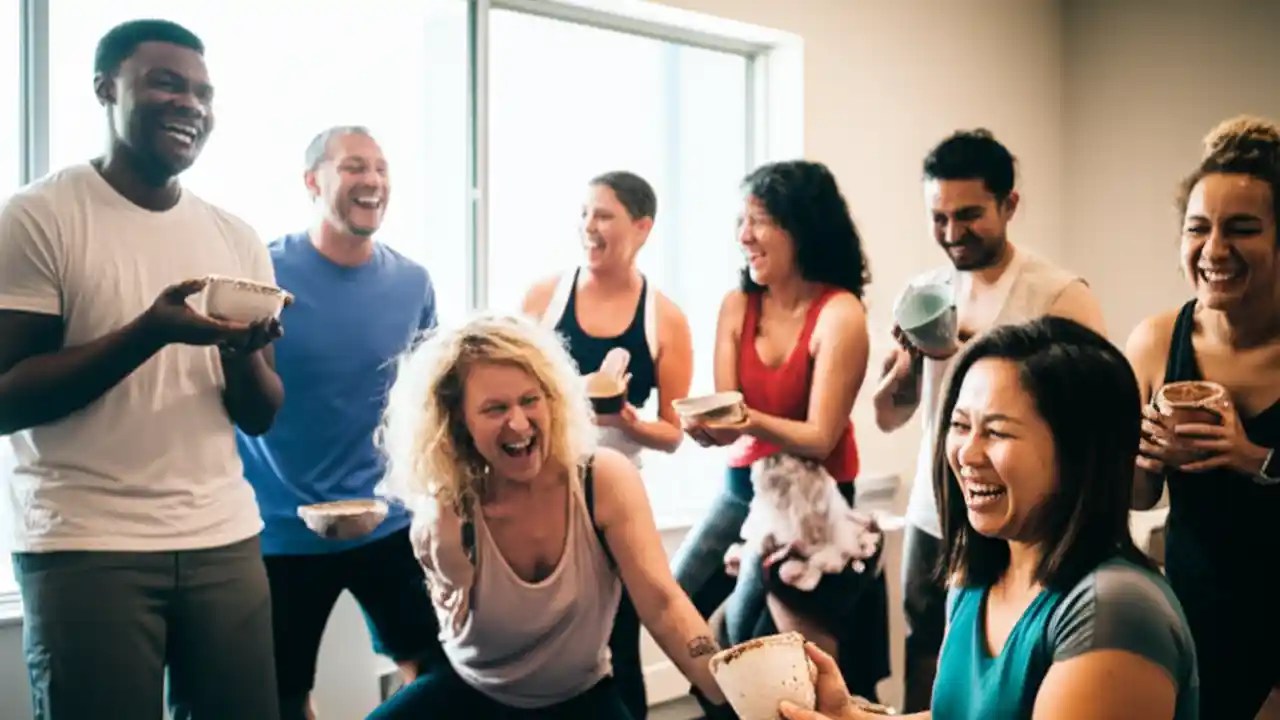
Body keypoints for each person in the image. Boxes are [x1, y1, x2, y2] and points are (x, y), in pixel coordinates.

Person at [0, 19, 282, 719]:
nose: (191, 103)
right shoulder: (39, 219)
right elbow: (5, 400)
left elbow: (260, 414)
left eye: (203, 92)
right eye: (166, 82)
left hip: (223, 537)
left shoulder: (234, 236)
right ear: (105, 88)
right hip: (86, 543)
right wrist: (150, 332)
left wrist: (243, 356)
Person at [781, 318, 1200, 720]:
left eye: (997, 432)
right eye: (960, 425)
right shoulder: (977, 575)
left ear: (1080, 455)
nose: (966, 453)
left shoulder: (1114, 612)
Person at [368, 313, 732, 719]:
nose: (518, 423)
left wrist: (733, 692)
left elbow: (664, 606)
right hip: (470, 695)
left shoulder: (602, 479)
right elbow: (451, 628)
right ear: (459, 422)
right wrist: (443, 530)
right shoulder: (448, 511)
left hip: (582, 698)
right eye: (494, 409)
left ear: (552, 399)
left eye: (529, 400)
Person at [872, 129, 1106, 712]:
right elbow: (887, 415)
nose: (952, 233)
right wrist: (907, 368)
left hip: (1026, 513)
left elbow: (1095, 415)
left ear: (1010, 205)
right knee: (925, 647)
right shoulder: (923, 292)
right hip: (937, 505)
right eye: (939, 217)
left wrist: (988, 354)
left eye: (969, 215)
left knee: (1009, 661)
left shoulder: (1058, 294)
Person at [236, 126, 442, 720]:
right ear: (313, 181)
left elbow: (428, 400)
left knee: (439, 673)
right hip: (278, 530)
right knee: (281, 693)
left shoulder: (413, 283)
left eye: (381, 168)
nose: (373, 180)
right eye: (354, 167)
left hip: (389, 520)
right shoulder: (262, 274)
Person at [672, 159, 890, 700]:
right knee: (676, 603)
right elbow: (728, 420)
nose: (744, 235)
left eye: (761, 219)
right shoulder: (736, 306)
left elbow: (819, 437)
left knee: (749, 632)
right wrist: (707, 427)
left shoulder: (839, 313)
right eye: (741, 221)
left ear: (802, 226)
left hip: (813, 501)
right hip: (743, 489)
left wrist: (746, 420)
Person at [521, 170, 693, 718]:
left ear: (642, 228)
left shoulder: (664, 319)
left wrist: (629, 420)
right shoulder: (545, 297)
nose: (588, 227)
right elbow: (507, 386)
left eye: (604, 216)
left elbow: (672, 434)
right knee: (539, 637)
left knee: (618, 642)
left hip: (614, 500)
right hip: (538, 491)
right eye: (584, 214)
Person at [1127, 115, 1280, 719]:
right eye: (1198, 229)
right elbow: (1139, 499)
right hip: (1194, 621)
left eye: (1242, 229)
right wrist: (1140, 458)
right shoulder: (1155, 340)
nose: (1214, 250)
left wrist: (1255, 460)